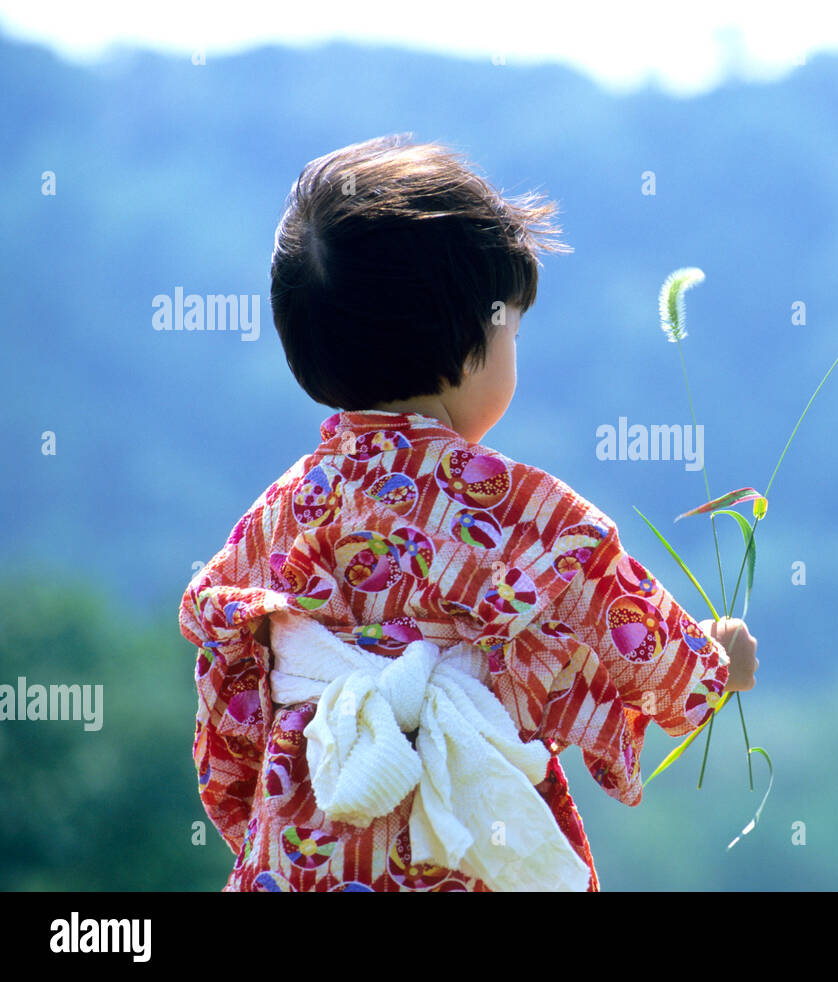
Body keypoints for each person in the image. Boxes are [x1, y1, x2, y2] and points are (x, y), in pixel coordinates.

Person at [178, 134, 759, 892]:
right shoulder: (528, 515)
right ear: (471, 340)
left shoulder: (278, 513)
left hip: (305, 840)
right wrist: (719, 665)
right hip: (465, 847)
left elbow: (228, 699)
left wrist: (256, 814)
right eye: (511, 326)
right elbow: (647, 652)